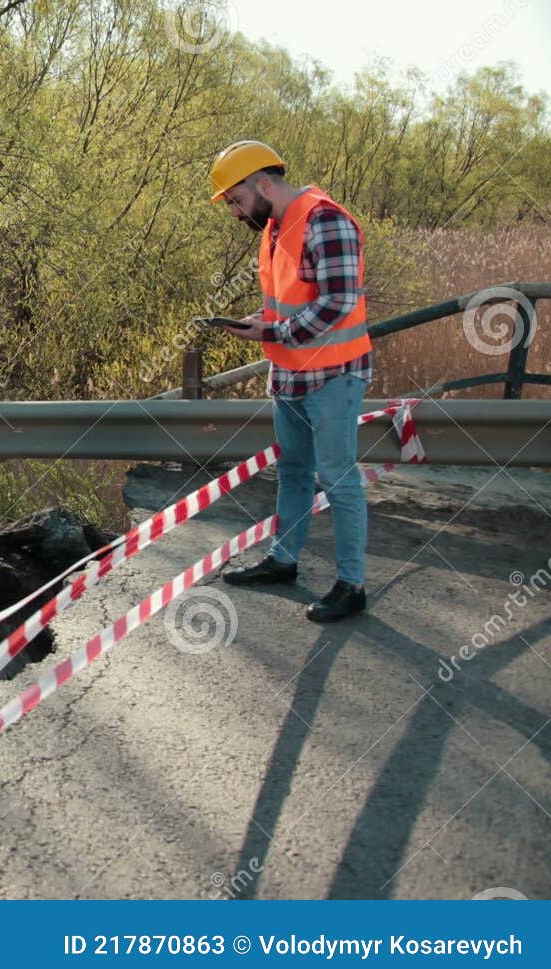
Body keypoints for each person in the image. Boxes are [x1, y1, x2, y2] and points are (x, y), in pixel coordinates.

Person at [208, 140, 373, 622]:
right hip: (290, 373)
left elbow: (338, 302)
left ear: (264, 184)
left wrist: (273, 331)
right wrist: (260, 323)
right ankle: (283, 561)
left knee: (338, 479)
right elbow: (290, 301)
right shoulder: (276, 227)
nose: (235, 212)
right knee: (294, 472)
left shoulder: (326, 220)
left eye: (236, 199)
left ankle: (352, 586)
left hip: (333, 375)